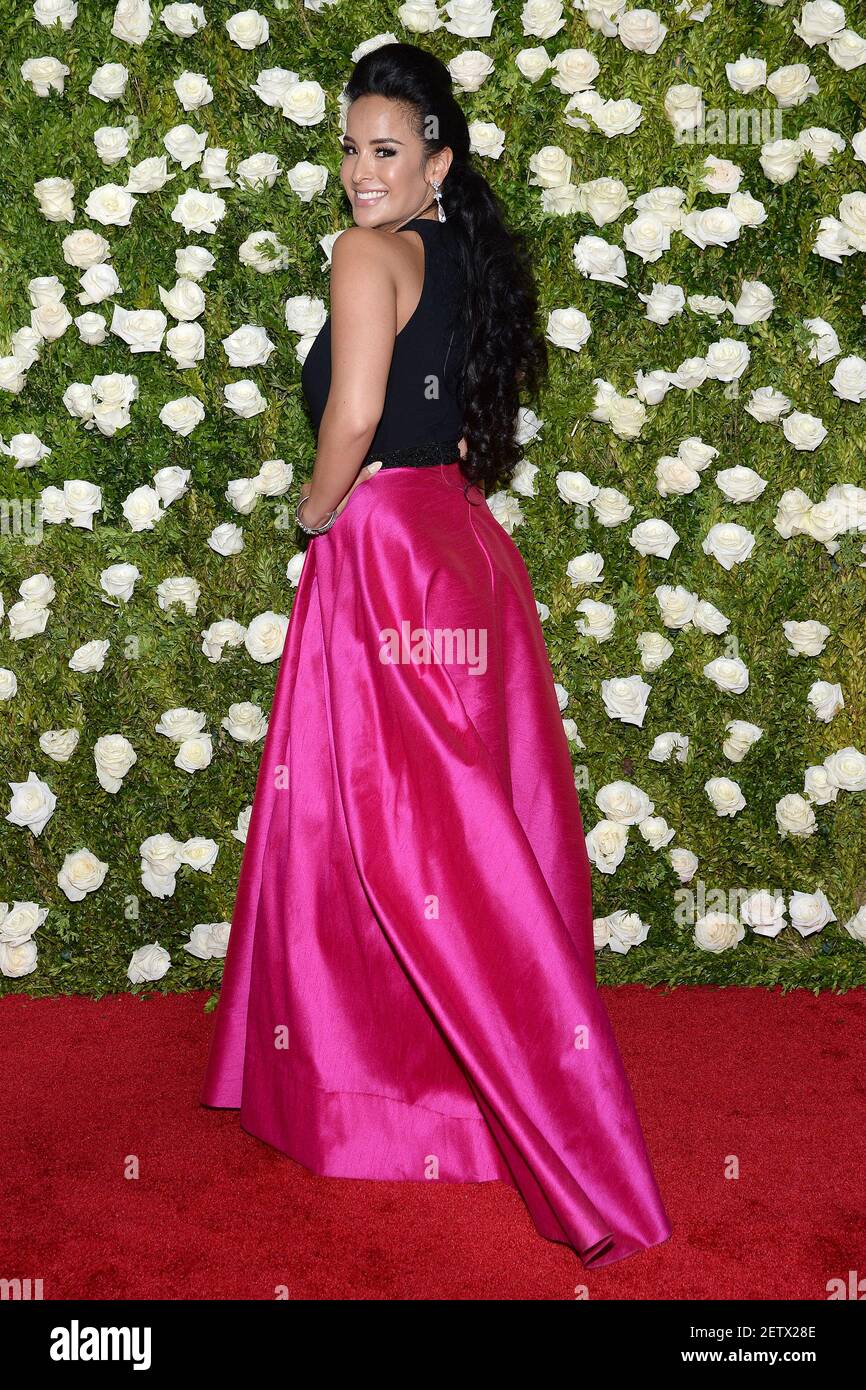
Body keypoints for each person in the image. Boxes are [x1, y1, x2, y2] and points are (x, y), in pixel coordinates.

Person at [200, 41, 672, 1269]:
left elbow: (354, 415)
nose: (360, 173)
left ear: (436, 160)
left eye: (387, 150)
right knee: (443, 827)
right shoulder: (460, 253)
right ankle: (446, 1086)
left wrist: (311, 514)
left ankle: (535, 1115)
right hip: (456, 544)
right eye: (350, 149)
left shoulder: (366, 255)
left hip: (383, 549)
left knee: (413, 841)